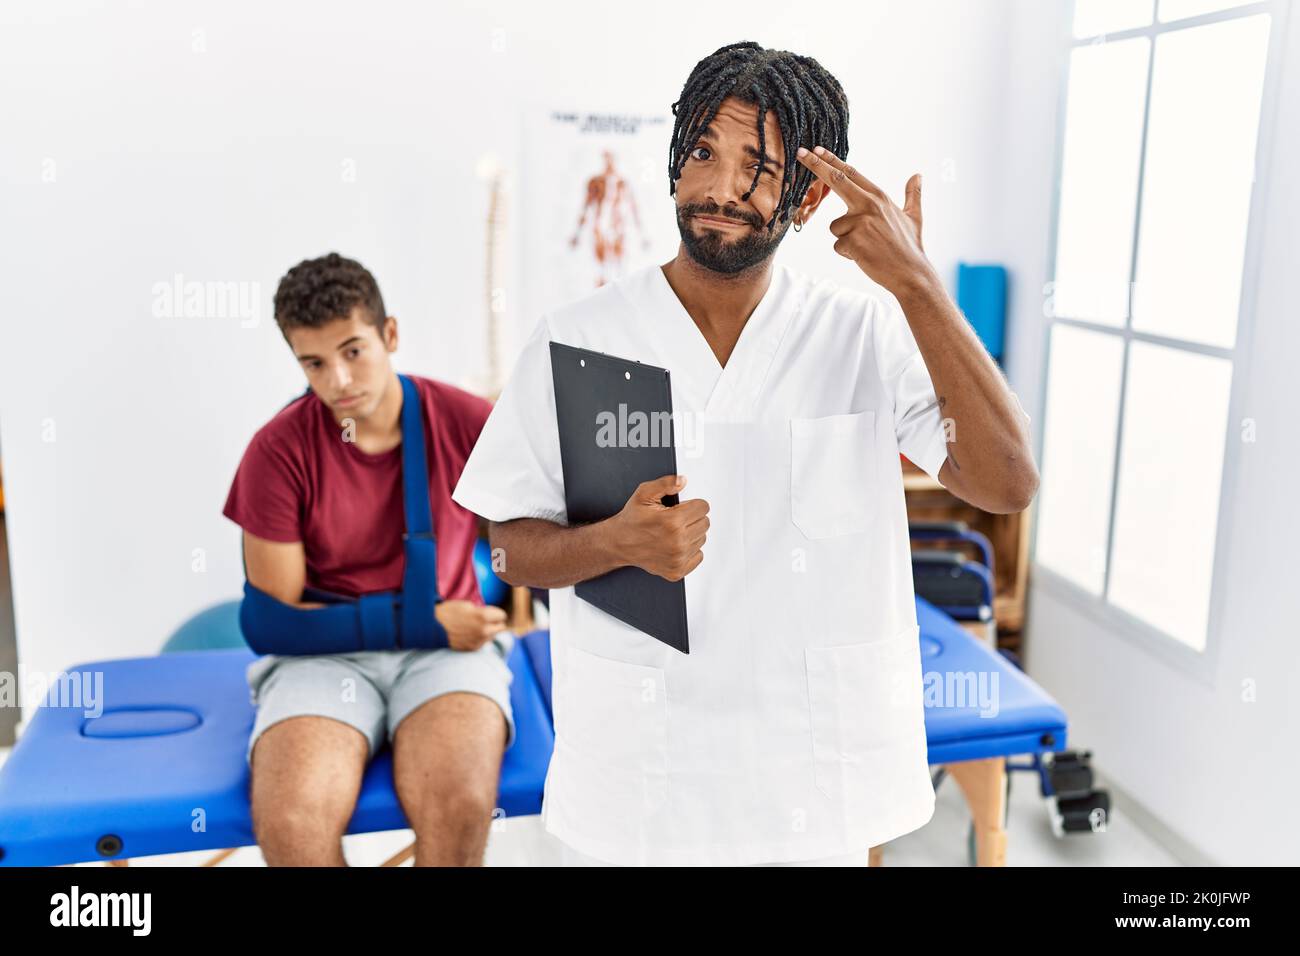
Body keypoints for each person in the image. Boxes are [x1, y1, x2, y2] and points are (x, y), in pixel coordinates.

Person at [452, 41, 1039, 866]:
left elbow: (1007, 482)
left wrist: (917, 284)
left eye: (757, 167)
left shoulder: (865, 332)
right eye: (701, 152)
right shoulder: (579, 340)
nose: (718, 190)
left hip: (809, 782)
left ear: (807, 201)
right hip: (645, 780)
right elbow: (507, 550)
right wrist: (609, 544)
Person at [223, 253, 514, 866]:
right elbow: (271, 623)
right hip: (323, 656)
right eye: (314, 363)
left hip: (446, 653)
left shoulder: (467, 422)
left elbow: (533, 540)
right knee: (293, 825)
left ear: (390, 335)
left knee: (460, 807)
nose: (337, 381)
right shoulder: (276, 452)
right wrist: (423, 622)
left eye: (353, 351)